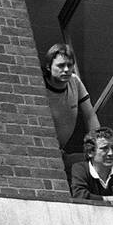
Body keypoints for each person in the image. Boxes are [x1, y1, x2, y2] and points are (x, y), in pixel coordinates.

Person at [43, 43, 99, 174]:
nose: (67, 69)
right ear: (48, 67)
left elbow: (90, 115)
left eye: (70, 65)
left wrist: (98, 144)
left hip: (61, 153)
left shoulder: (75, 82)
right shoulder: (41, 85)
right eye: (61, 65)